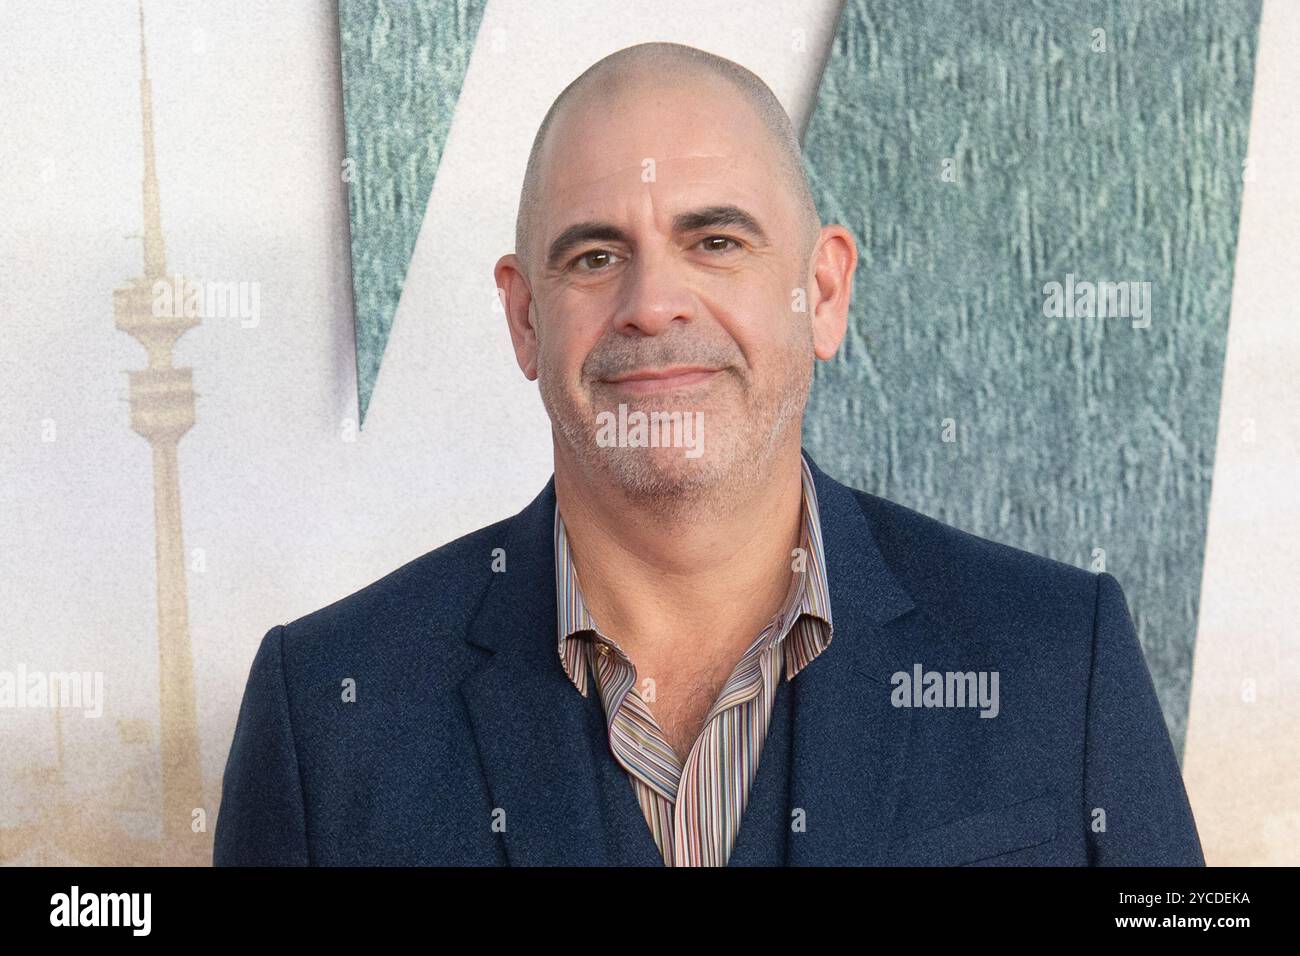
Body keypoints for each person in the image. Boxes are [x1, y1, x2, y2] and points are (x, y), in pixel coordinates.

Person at [213, 41, 1203, 866]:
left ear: (821, 291)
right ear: (524, 315)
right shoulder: (329, 711)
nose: (653, 303)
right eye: (594, 256)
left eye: (716, 241)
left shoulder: (1057, 659)